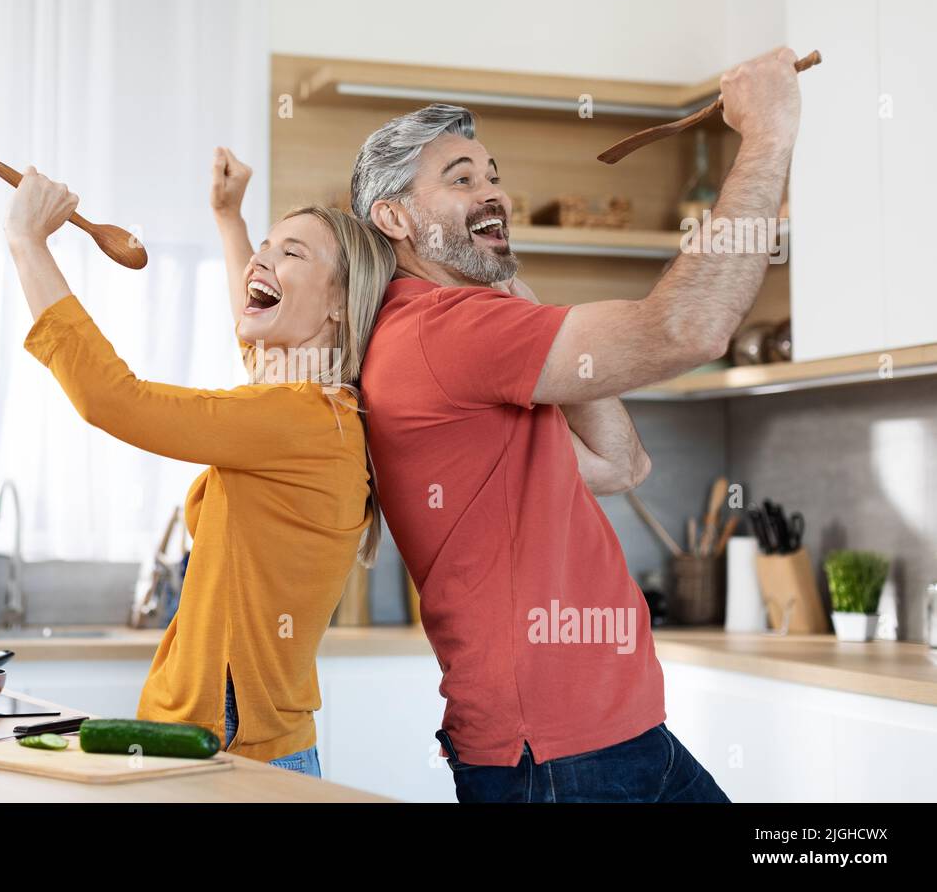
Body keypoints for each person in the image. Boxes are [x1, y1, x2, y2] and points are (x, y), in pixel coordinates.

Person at [344, 48, 803, 802]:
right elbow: (688, 329)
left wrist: (510, 281)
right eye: (460, 180)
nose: (492, 191)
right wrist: (767, 137)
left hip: (616, 733)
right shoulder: (443, 329)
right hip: (557, 757)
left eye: (493, 176)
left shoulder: (466, 328)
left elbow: (621, 465)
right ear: (394, 217)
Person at [3, 156, 395, 775]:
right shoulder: (315, 411)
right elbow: (256, 329)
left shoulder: (300, 419)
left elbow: (114, 400)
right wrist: (229, 219)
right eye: (264, 250)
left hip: (228, 744)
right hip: (214, 735)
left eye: (291, 254)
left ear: (342, 304)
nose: (262, 262)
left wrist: (28, 243)